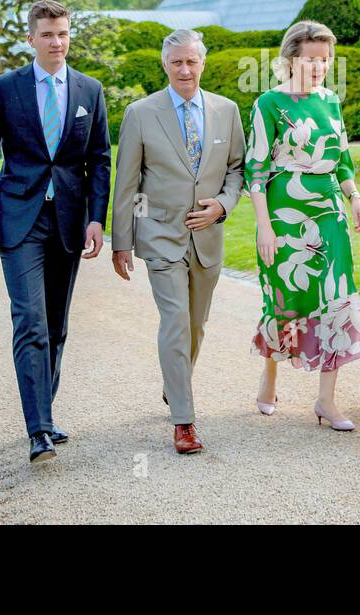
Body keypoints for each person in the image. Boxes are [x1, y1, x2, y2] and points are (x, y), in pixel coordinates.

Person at [0, 0, 111, 465]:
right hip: (19, 219)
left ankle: (42, 411)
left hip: (68, 222)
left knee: (56, 325)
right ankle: (39, 430)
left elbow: (100, 160)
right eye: (48, 34)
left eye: (63, 33)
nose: (57, 42)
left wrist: (96, 217)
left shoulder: (90, 90)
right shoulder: (7, 89)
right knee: (29, 320)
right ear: (31, 38)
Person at [111, 28, 246, 454]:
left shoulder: (227, 111)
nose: (184, 70)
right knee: (174, 322)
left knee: (196, 325)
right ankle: (183, 422)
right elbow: (128, 182)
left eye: (191, 61)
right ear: (164, 65)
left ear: (202, 63)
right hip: (159, 235)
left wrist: (222, 206)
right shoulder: (140, 113)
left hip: (208, 237)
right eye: (176, 63)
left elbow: (237, 169)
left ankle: (176, 383)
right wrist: (122, 241)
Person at [246, 20, 360, 432]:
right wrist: (263, 226)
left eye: (325, 60)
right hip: (285, 215)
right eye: (311, 59)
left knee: (336, 298)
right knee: (285, 297)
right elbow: (257, 170)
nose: (318, 67)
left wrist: (353, 197)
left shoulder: (331, 100)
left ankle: (326, 400)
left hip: (330, 214)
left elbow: (343, 161)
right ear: (290, 59)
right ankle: (270, 376)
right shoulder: (268, 104)